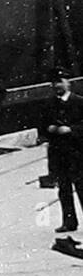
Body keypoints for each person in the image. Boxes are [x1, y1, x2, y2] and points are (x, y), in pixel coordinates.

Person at [43, 68, 83, 233]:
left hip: (77, 153)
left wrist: (71, 130)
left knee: (82, 187)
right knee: (64, 189)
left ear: (68, 83)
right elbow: (41, 125)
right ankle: (69, 221)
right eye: (54, 82)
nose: (57, 85)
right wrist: (49, 128)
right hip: (58, 153)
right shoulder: (49, 104)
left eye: (60, 81)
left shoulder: (79, 102)